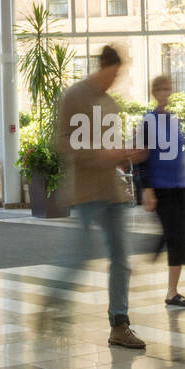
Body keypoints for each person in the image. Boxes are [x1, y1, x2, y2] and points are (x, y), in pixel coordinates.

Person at [55, 44, 146, 349]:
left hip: (113, 192)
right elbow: (63, 141)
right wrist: (102, 154)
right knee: (79, 259)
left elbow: (112, 147)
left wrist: (125, 155)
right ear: (103, 67)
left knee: (120, 259)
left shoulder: (111, 105)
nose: (115, 79)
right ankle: (54, 306)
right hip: (85, 191)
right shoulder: (74, 96)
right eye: (114, 73)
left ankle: (119, 324)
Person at [136, 75, 185, 309]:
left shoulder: (174, 120)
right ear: (154, 92)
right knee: (176, 236)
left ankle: (172, 290)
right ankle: (169, 290)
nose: (165, 92)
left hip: (178, 186)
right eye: (160, 89)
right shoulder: (148, 121)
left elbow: (180, 156)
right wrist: (146, 189)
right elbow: (141, 157)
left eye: (168, 88)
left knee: (178, 238)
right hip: (160, 187)